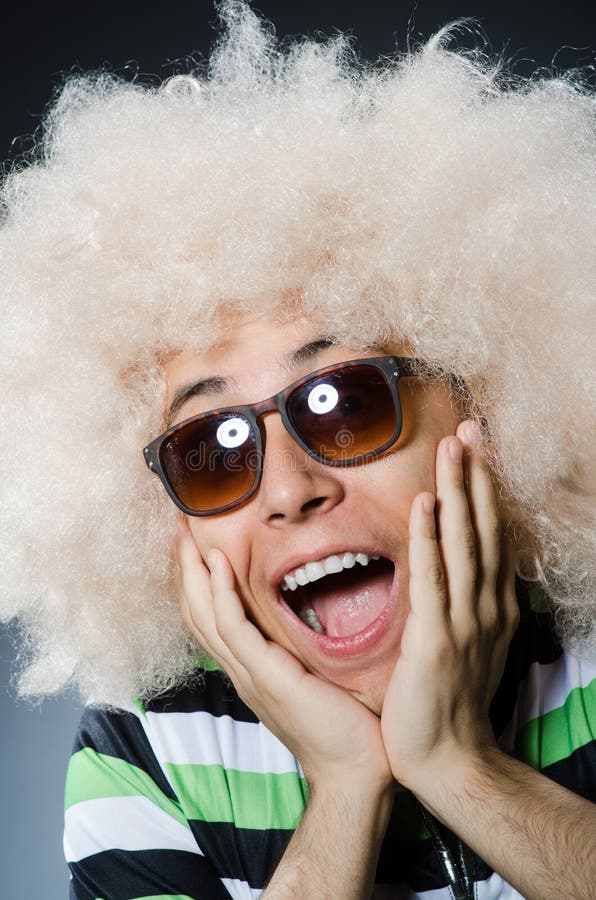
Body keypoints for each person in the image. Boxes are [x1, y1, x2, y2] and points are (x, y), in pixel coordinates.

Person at [1, 3, 595, 898]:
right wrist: (346, 793)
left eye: (345, 402)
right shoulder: (143, 755)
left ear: (494, 404)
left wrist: (461, 767)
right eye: (212, 449)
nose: (289, 489)